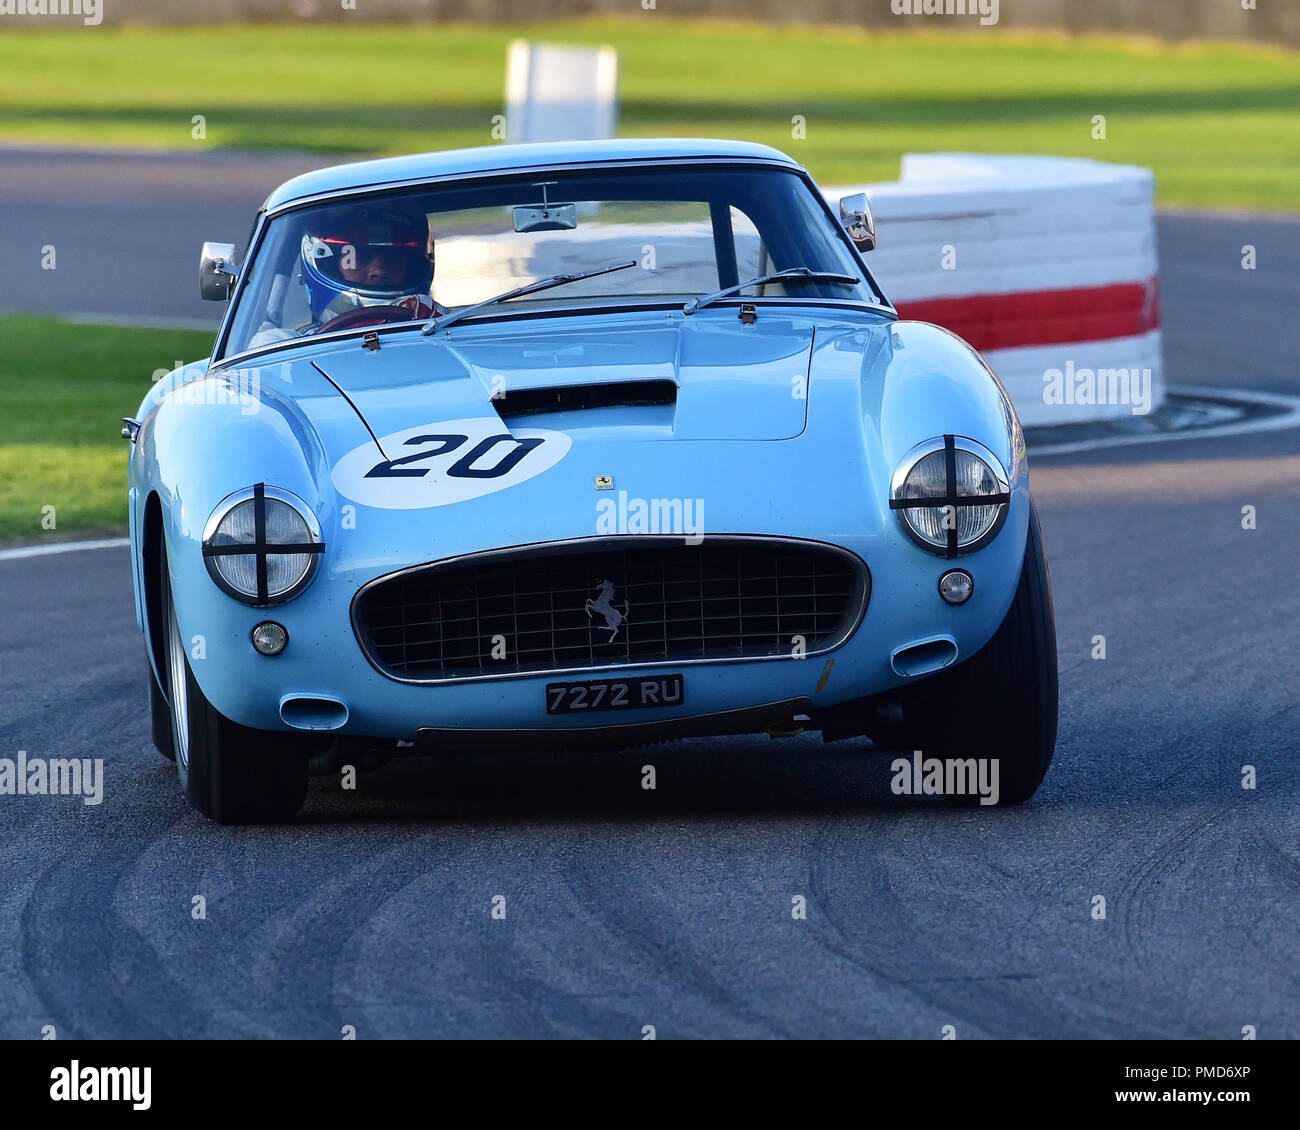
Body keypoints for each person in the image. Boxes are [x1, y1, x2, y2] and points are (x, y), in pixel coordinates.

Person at [299, 205, 444, 327]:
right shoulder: (286, 341)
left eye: (392, 259)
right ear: (332, 264)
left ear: (411, 267)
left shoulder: (442, 324)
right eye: (360, 258)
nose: (379, 270)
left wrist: (439, 324)